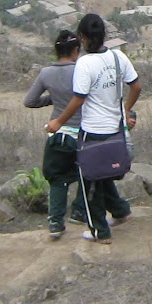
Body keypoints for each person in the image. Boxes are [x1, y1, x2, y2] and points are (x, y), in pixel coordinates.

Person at [45, 13, 140, 242]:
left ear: (82, 37)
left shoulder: (85, 63)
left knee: (90, 181)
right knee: (103, 174)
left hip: (93, 132)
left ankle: (100, 231)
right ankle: (120, 212)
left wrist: (58, 122)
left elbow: (79, 98)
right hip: (115, 130)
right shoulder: (118, 57)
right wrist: (126, 110)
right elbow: (136, 86)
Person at [23, 29, 83, 238]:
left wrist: (54, 99)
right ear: (75, 50)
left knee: (58, 179)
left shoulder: (46, 73)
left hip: (58, 133)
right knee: (88, 174)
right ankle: (79, 212)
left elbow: (29, 101)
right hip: (83, 133)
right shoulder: (81, 70)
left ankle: (56, 223)